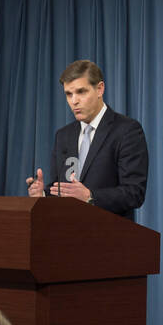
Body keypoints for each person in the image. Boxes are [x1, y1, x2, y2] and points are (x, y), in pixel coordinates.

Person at [25, 59, 149, 216]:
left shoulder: (127, 130)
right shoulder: (63, 135)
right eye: (68, 94)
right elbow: (64, 190)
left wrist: (90, 197)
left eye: (81, 92)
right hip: (68, 234)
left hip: (109, 235)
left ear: (99, 89)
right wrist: (42, 195)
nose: (74, 101)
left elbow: (134, 193)